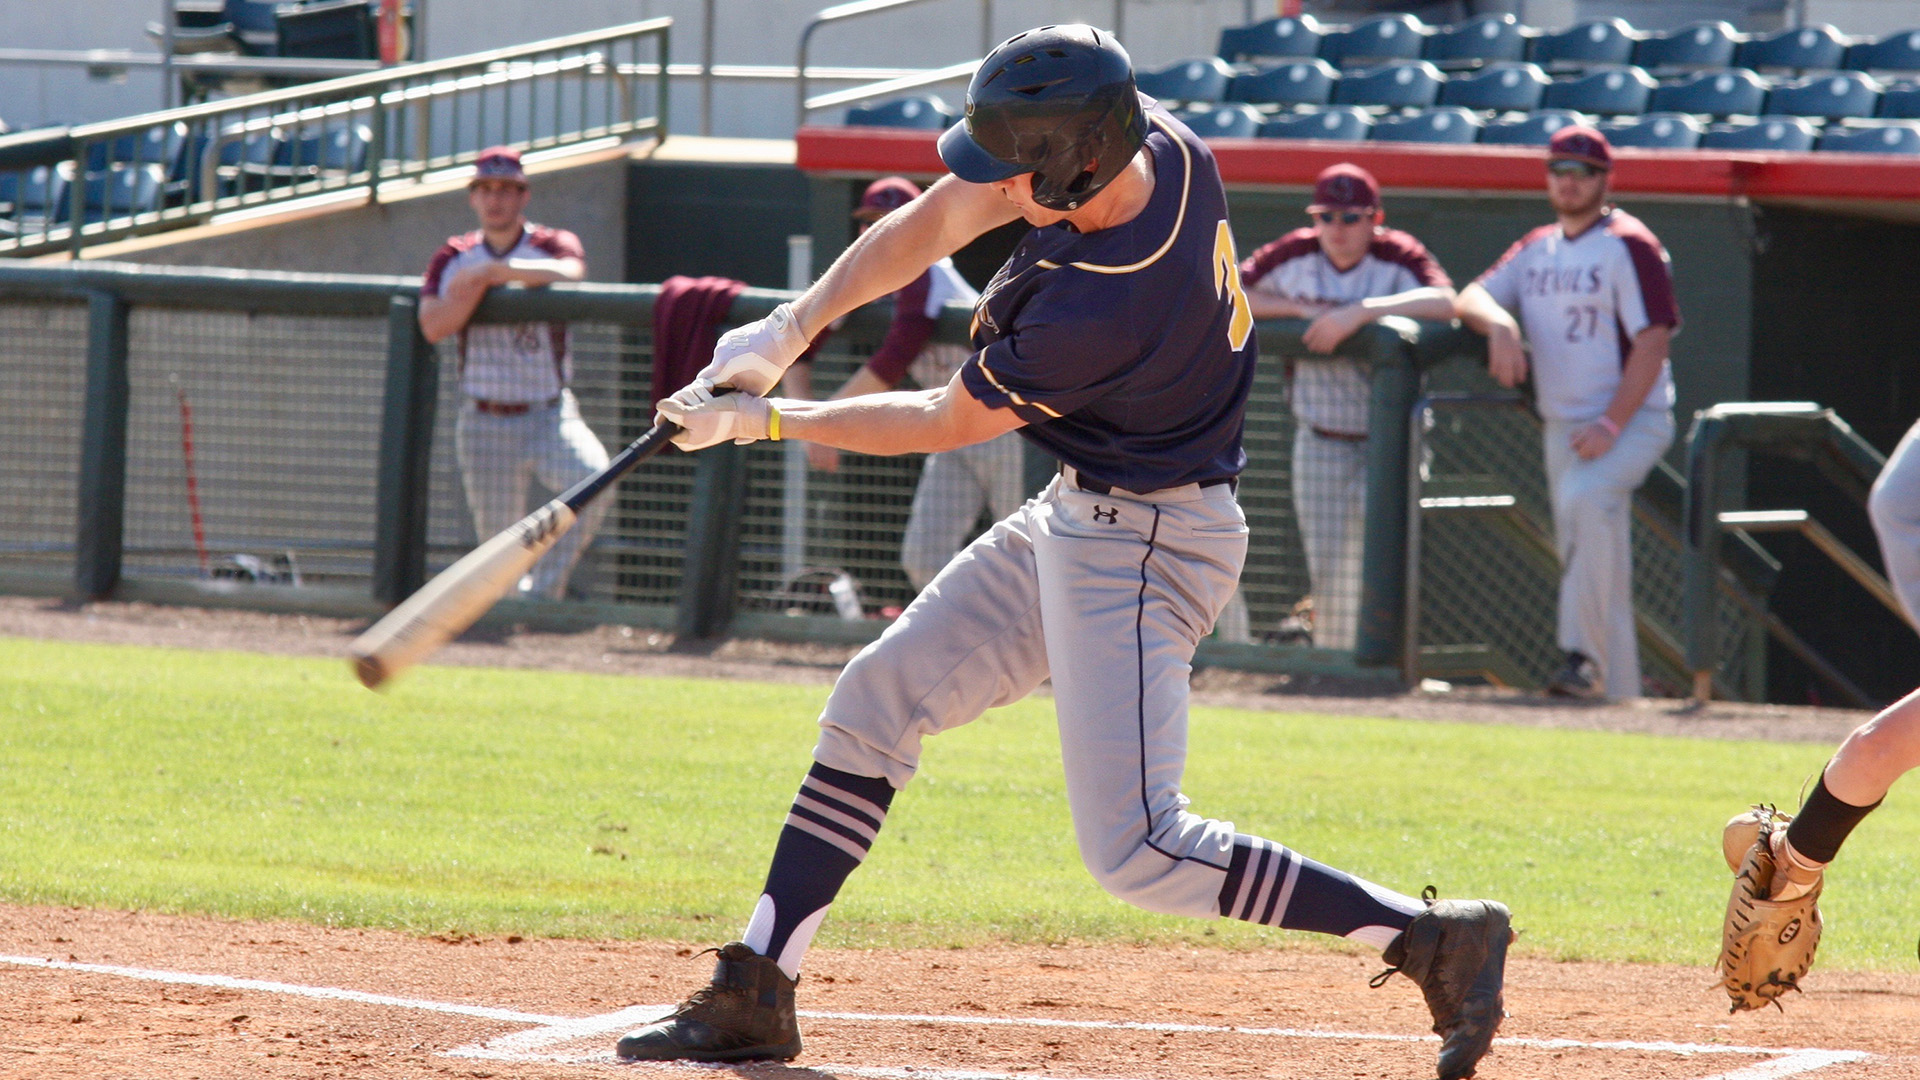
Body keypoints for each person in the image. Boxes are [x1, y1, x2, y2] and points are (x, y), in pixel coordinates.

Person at [619, 25, 1511, 1080]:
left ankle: (1428, 936)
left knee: (1140, 851)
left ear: (1076, 163)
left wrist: (765, 421)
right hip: (1085, 510)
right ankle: (758, 990)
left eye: (1017, 169)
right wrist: (788, 329)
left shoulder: (1108, 300)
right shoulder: (1155, 143)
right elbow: (945, 212)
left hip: (1148, 543)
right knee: (875, 699)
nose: (996, 185)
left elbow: (945, 421)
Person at [1453, 126, 1680, 701]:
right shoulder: (1537, 246)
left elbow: (1654, 341)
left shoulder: (1630, 243)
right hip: (1563, 425)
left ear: (1606, 180)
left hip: (1633, 419)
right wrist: (1500, 323)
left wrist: (1612, 424)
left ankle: (1582, 660)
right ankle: (1618, 694)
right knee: (1593, 547)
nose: (1569, 181)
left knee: (1586, 503)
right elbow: (1470, 296)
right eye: (1560, 170)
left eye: (1583, 172)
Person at [1239, 163, 1456, 651]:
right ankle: (1335, 666)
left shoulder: (1396, 255)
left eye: (1351, 217)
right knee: (1329, 564)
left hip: (1391, 443)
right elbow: (1229, 289)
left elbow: (1446, 303)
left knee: (1385, 556)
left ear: (1375, 219)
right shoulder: (1296, 252)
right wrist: (1299, 309)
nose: (1337, 228)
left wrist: (1362, 312)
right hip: (1321, 437)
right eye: (1327, 216)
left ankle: (1387, 664)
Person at [785, 176, 1027, 592]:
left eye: (892, 220)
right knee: (923, 559)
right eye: (872, 221)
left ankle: (1032, 634)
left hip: (1011, 427)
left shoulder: (930, 272)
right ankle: (967, 630)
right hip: (954, 425)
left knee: (1028, 555)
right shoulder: (865, 279)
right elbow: (801, 340)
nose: (881, 230)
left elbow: (894, 359)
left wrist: (818, 422)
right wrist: (804, 411)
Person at [417, 146, 609, 599]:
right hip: (485, 419)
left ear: (524, 195)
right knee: (498, 550)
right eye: (485, 189)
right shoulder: (454, 255)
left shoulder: (548, 243)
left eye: (506, 189)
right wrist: (478, 285)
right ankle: (512, 609)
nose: (495, 198)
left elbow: (572, 271)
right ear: (473, 197)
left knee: (595, 481)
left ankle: (542, 593)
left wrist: (496, 271)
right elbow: (432, 326)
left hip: (548, 412)